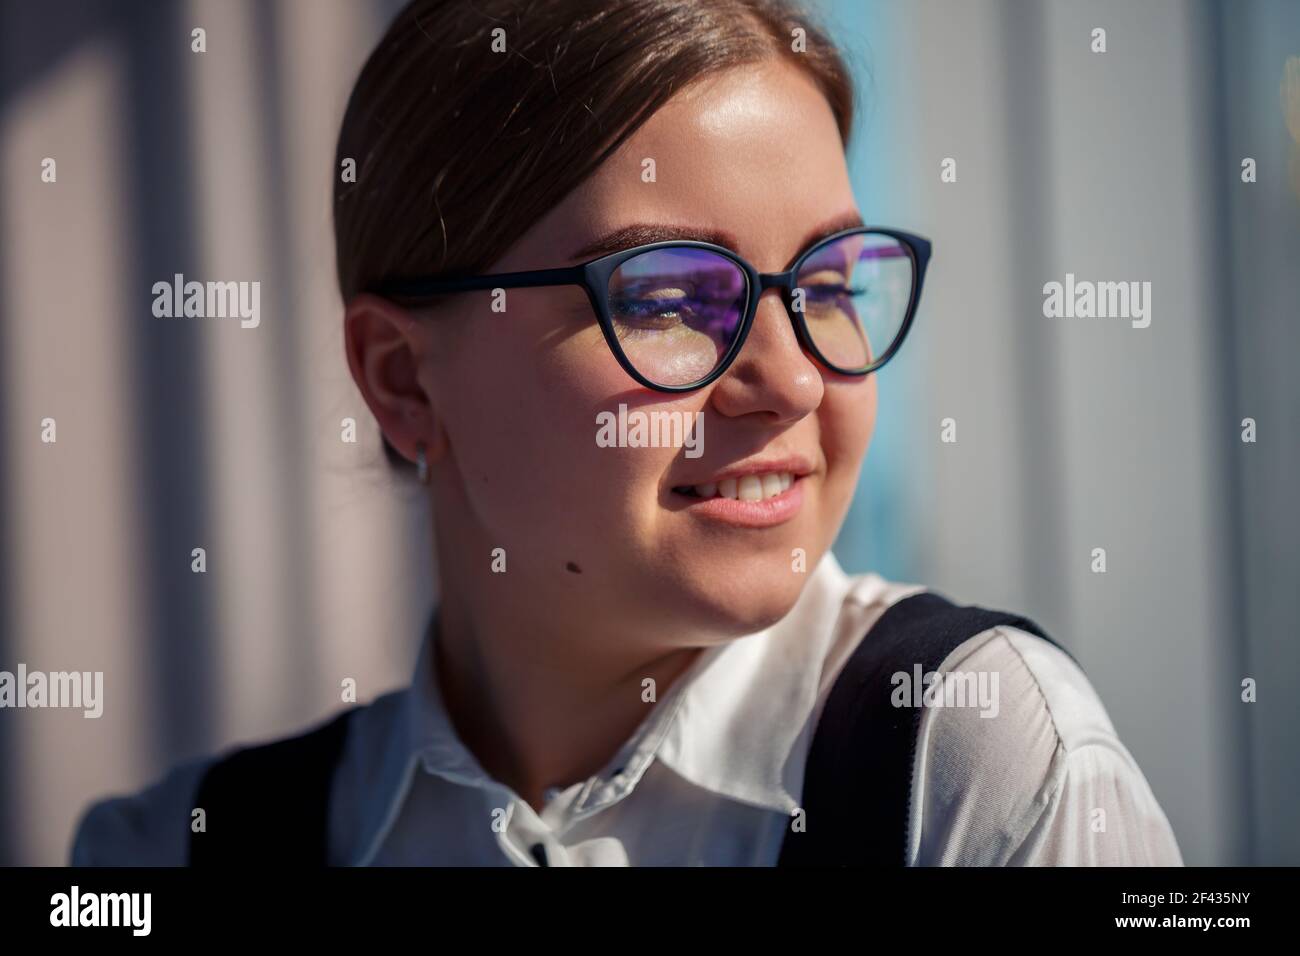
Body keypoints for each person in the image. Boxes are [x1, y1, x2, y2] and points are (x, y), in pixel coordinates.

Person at [70, 0, 1182, 866]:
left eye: (827, 282)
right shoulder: (167, 850)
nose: (791, 377)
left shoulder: (970, 760)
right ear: (404, 379)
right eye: (664, 298)